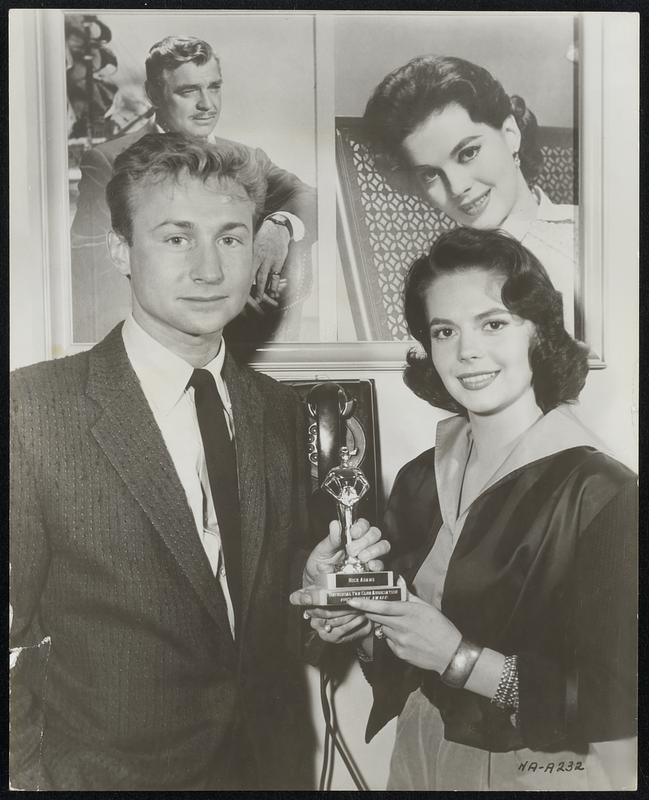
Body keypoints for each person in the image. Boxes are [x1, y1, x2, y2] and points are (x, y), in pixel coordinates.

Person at [10, 133, 385, 791]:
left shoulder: (276, 409)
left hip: (268, 771)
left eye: (231, 238)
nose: (210, 270)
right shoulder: (32, 409)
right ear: (122, 250)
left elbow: (265, 625)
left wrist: (322, 607)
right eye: (177, 238)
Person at [297, 228, 637, 790]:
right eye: (445, 331)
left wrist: (460, 658)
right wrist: (354, 618)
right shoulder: (419, 476)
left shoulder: (604, 494)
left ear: (539, 333)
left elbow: (617, 713)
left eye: (493, 323)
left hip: (540, 767)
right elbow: (402, 644)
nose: (467, 351)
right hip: (421, 746)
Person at [70, 34, 317, 343]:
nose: (207, 104)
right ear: (154, 94)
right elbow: (94, 274)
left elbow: (311, 199)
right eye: (189, 91)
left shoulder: (245, 157)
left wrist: (280, 225)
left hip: (240, 341)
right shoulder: (108, 162)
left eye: (214, 87)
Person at [363, 55, 576, 330]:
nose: (457, 187)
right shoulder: (441, 283)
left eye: (468, 153)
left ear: (510, 133)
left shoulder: (599, 230)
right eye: (430, 174)